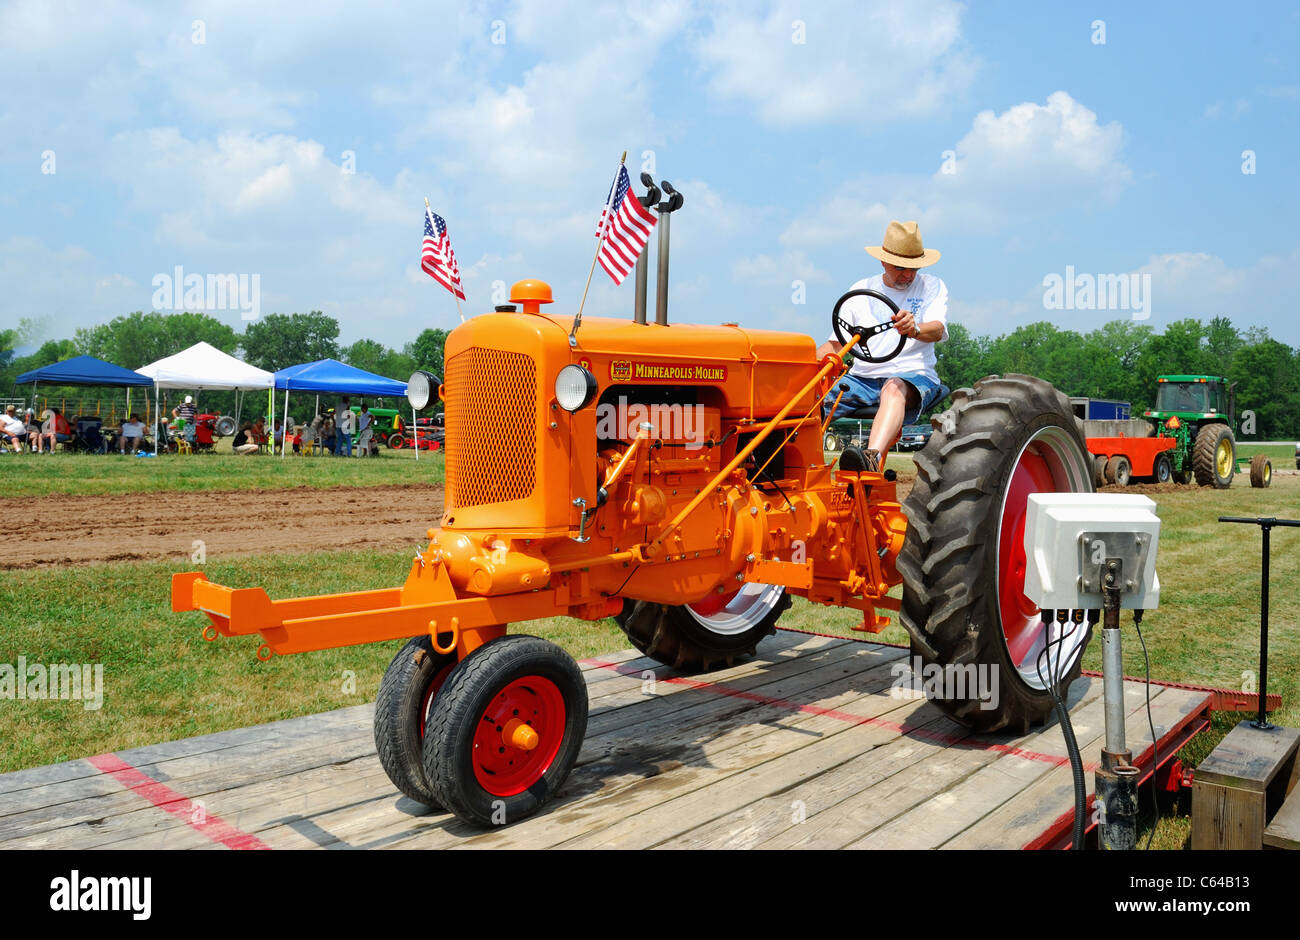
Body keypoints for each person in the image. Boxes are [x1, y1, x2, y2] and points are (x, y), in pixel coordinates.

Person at [816, 220, 948, 471]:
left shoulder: (932, 286)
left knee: (893, 388)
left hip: (913, 376)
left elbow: (938, 329)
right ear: (883, 261)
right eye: (901, 267)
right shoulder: (861, 290)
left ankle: (870, 459)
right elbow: (836, 345)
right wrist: (798, 366)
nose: (908, 275)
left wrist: (915, 328)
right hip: (860, 379)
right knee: (809, 400)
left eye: (914, 268)